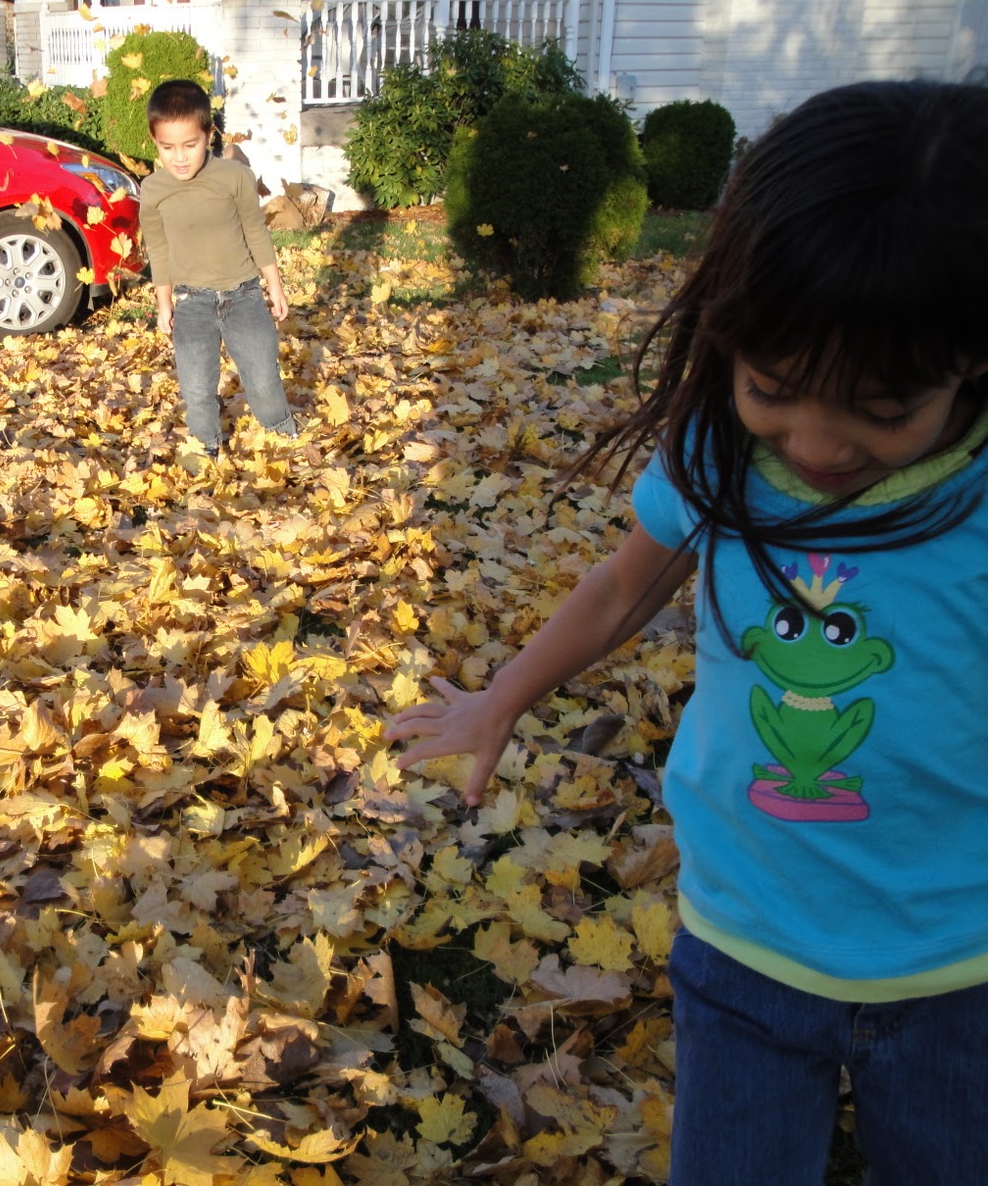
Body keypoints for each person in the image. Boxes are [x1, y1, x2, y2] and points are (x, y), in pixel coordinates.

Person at [384, 79, 988, 1185]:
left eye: (882, 411)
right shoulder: (722, 456)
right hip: (744, 936)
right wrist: (500, 698)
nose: (815, 442)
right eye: (774, 387)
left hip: (956, 964)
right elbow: (621, 591)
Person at [137, 78, 299, 455]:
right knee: (196, 386)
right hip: (191, 303)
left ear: (208, 135)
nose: (180, 157)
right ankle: (206, 444)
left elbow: (256, 231)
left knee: (262, 376)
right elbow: (157, 248)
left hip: (243, 296)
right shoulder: (153, 190)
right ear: (154, 141)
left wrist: (274, 284)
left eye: (190, 145)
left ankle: (280, 431)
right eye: (168, 148)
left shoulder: (235, 178)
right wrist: (164, 303)